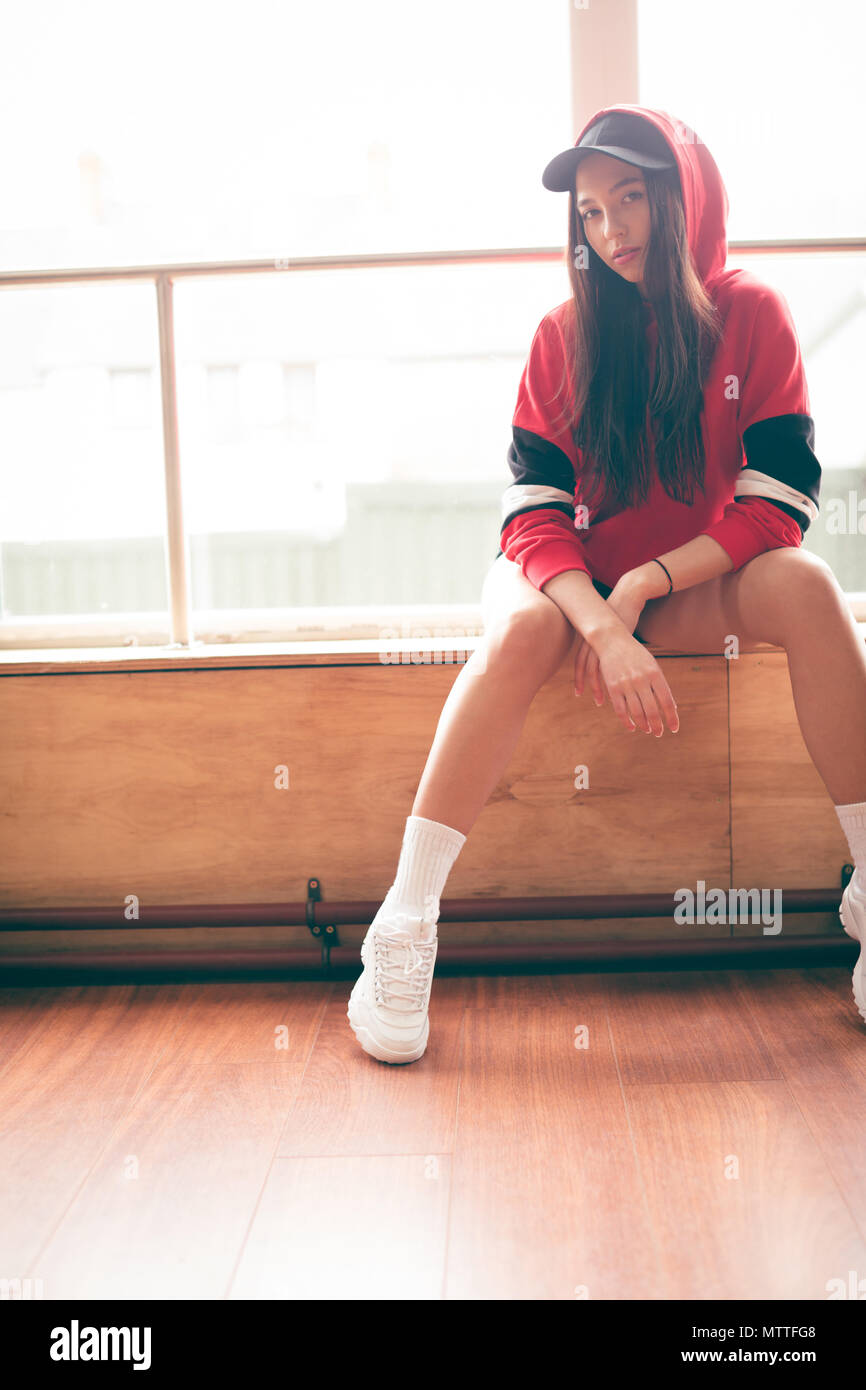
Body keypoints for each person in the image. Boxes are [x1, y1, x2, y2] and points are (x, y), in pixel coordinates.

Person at [347, 105, 866, 1065]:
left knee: (808, 584)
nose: (612, 229)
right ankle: (404, 926)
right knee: (514, 637)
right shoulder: (564, 335)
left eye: (632, 198)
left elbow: (780, 497)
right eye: (589, 211)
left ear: (684, 196)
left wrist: (650, 587)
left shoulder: (752, 312)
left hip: (683, 579)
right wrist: (603, 622)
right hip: (569, 586)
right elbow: (533, 516)